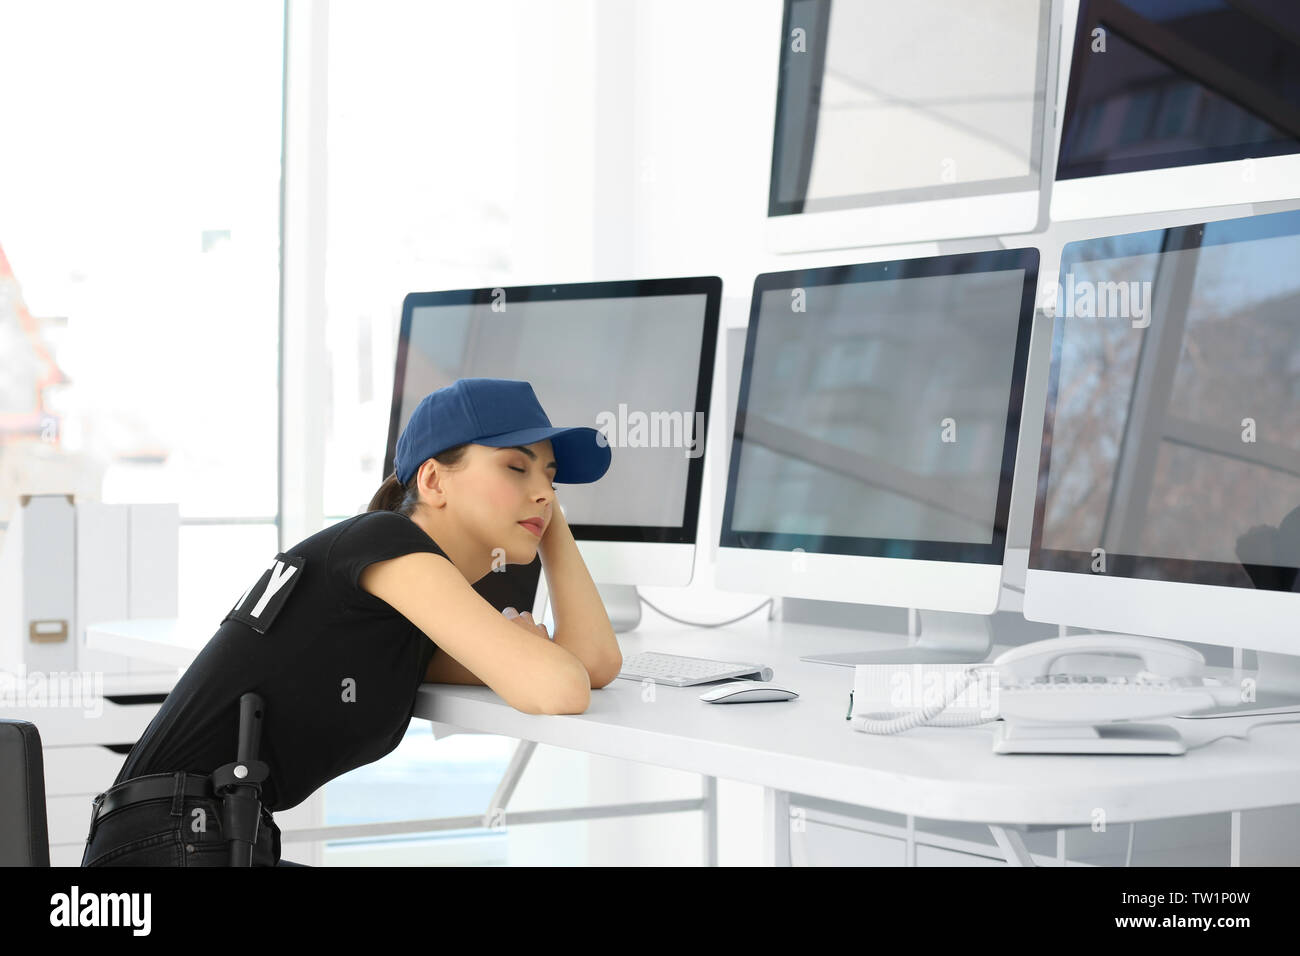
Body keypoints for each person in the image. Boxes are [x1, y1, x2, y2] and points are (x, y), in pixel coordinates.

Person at [81, 377, 620, 866]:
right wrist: (532, 653)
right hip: (172, 845)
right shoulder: (385, 543)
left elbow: (592, 664)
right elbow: (559, 687)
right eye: (516, 467)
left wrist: (547, 516)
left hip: (195, 840)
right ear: (434, 480)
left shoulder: (401, 607)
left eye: (552, 476)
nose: (544, 491)